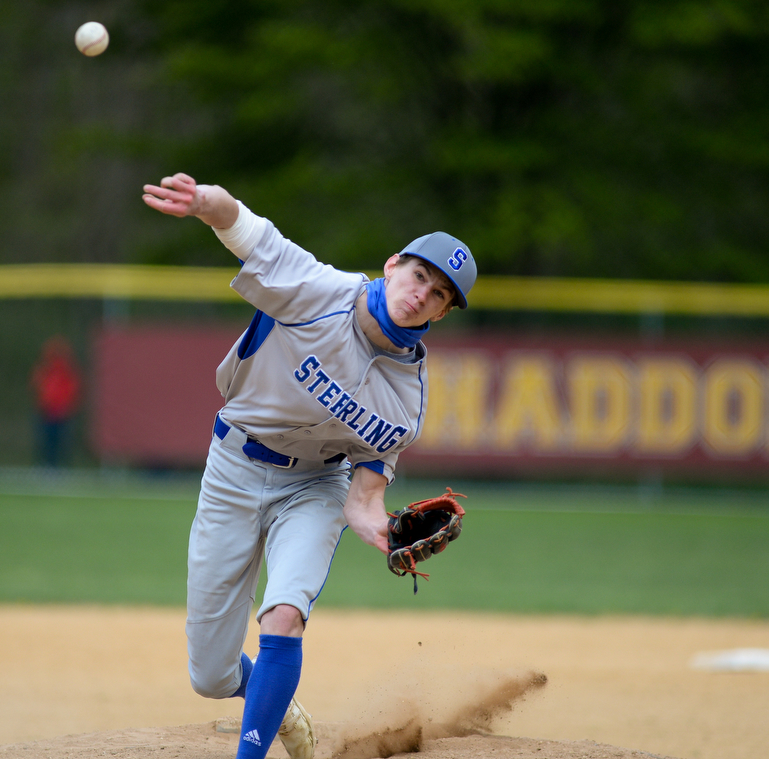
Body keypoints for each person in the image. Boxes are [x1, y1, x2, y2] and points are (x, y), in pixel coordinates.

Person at [141, 172, 477, 759]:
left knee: (285, 613)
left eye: (439, 292)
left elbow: (363, 498)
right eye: (420, 274)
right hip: (234, 466)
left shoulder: (407, 397)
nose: (422, 292)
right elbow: (245, 229)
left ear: (443, 312)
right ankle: (271, 700)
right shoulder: (318, 290)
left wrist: (377, 524)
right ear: (394, 264)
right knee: (212, 677)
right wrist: (203, 203)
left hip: (314, 486)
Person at [30, 336, 81, 468]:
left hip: (61, 412)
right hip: (47, 412)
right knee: (47, 441)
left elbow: (72, 390)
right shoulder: (45, 369)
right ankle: (48, 465)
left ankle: (58, 466)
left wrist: (65, 406)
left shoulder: (66, 370)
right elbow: (37, 386)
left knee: (60, 442)